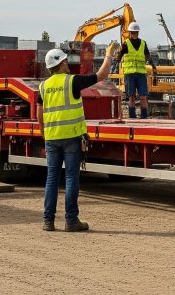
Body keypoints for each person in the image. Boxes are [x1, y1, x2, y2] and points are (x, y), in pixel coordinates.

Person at [40, 40, 120, 233]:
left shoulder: (43, 86)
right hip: (72, 139)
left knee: (51, 179)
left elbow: (39, 113)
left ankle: (48, 221)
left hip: (52, 138)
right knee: (71, 178)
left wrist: (45, 137)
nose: (68, 64)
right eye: (66, 61)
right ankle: (71, 221)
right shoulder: (72, 81)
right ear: (61, 64)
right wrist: (109, 53)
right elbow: (101, 75)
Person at [119, 21, 153, 120]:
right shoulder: (126, 44)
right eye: (132, 32)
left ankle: (144, 117)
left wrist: (152, 64)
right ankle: (132, 118)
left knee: (143, 96)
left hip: (141, 74)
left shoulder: (143, 43)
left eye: (134, 32)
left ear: (137, 32)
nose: (133, 34)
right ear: (130, 33)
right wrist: (117, 54)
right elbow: (119, 57)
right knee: (131, 97)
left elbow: (147, 56)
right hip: (130, 74)